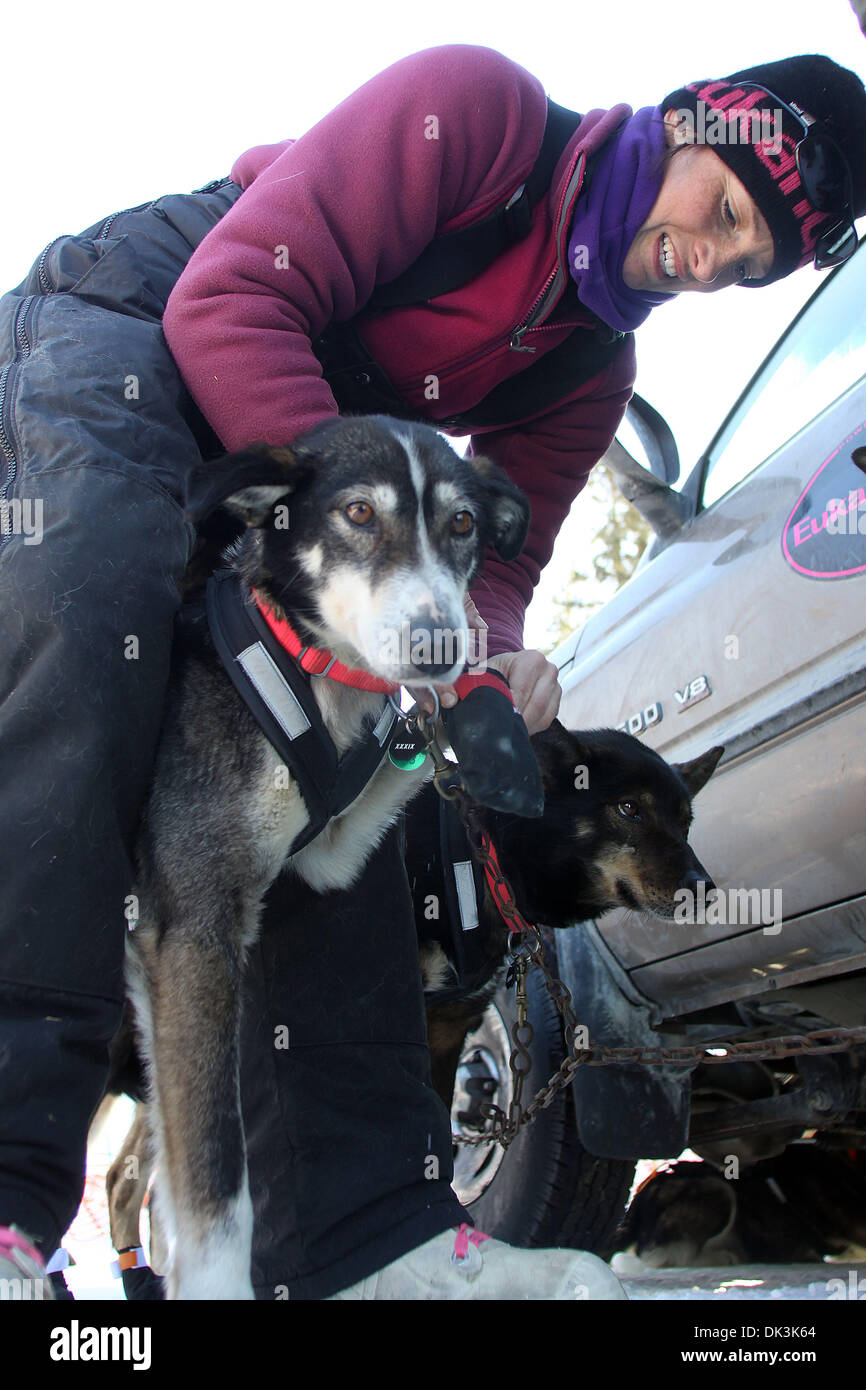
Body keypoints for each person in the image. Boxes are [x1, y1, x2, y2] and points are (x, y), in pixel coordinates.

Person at [0, 44, 863, 1302]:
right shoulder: (481, 117)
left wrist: (486, 662)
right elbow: (234, 297)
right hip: (144, 314)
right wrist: (356, 538)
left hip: (321, 465)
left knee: (369, 753)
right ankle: (15, 1186)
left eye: (750, 266)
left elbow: (493, 574)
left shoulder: (591, 370)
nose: (715, 257)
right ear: (694, 124)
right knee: (99, 579)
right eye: (726, 210)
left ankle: (354, 1231)